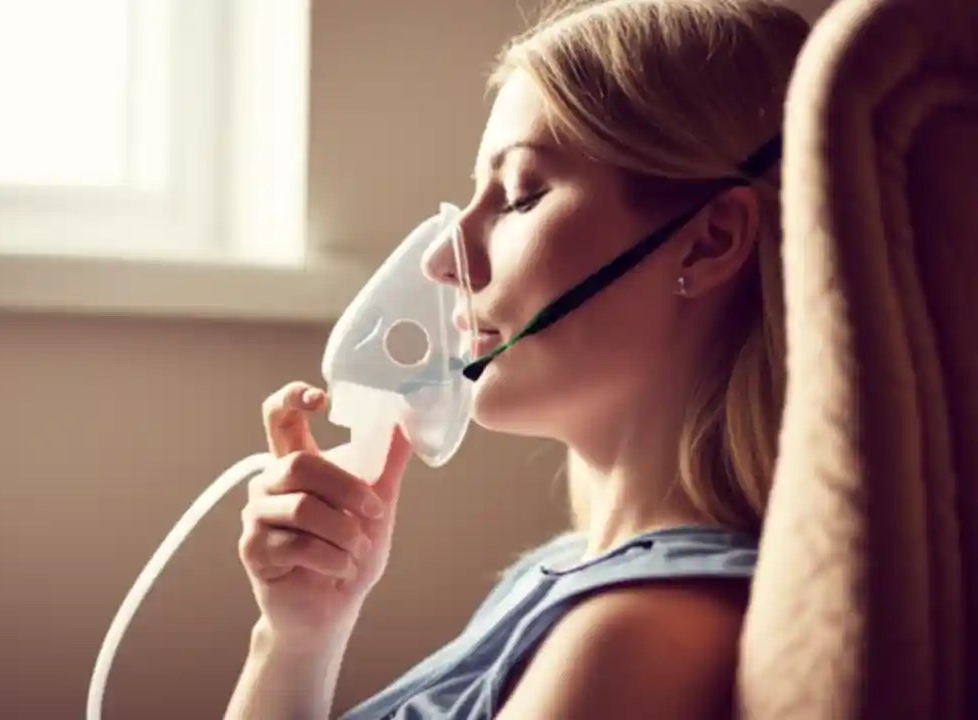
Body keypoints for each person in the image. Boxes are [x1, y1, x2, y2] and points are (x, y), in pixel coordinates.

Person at [225, 0, 810, 717]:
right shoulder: (558, 577)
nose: (442, 260)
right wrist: (299, 632)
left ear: (709, 241)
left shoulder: (641, 636)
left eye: (520, 195)